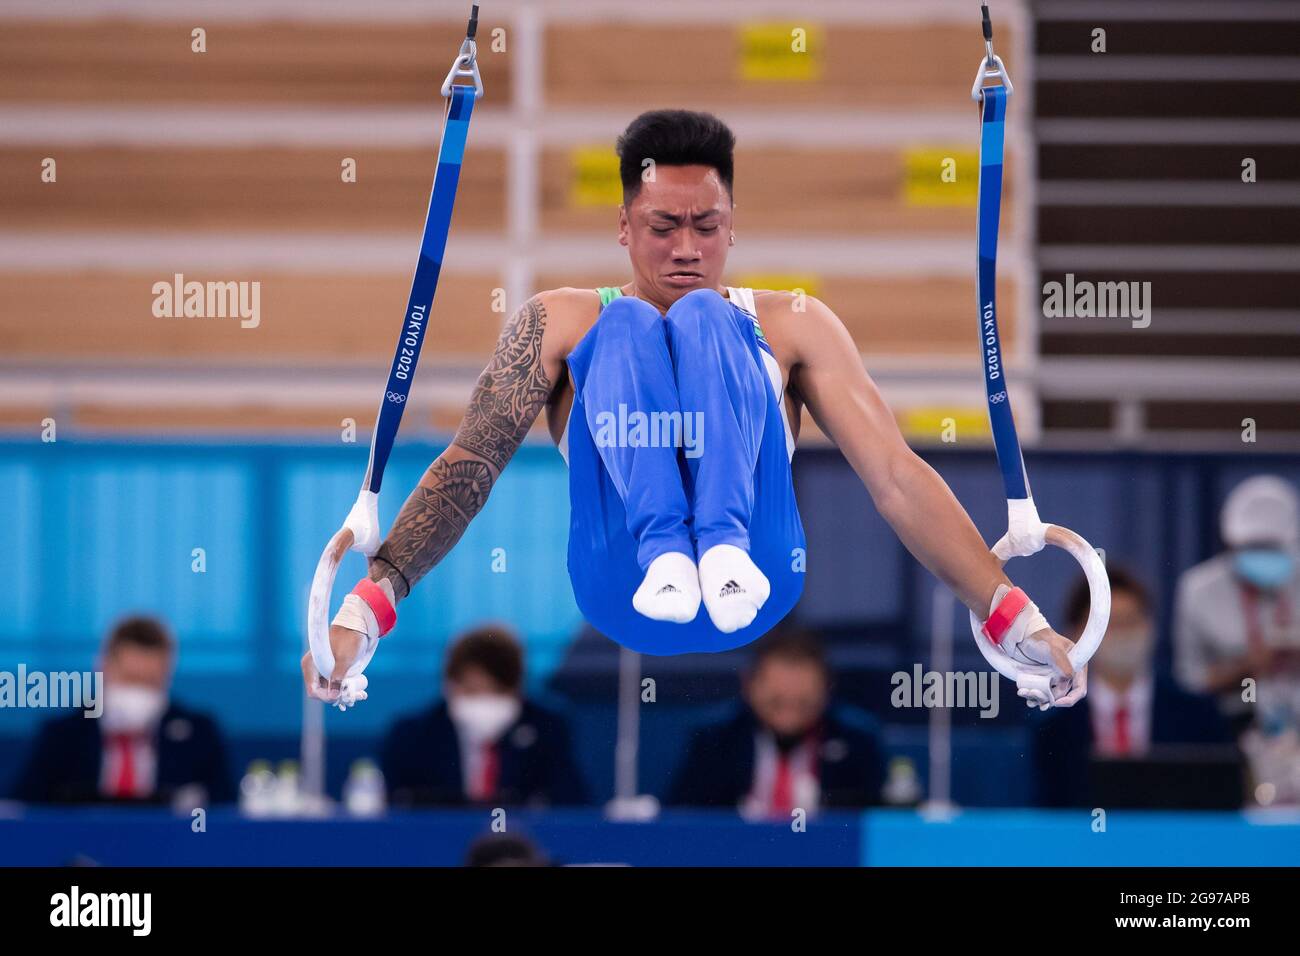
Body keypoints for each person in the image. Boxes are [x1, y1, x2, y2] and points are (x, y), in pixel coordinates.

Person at [304, 109, 1084, 708]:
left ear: (732, 227)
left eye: (707, 227)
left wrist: (1014, 612)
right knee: (630, 324)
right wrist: (367, 608)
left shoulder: (794, 323)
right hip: (623, 582)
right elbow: (469, 467)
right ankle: (670, 550)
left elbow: (894, 477)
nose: (687, 249)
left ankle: (717, 542)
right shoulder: (561, 320)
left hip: (760, 575)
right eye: (663, 226)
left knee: (711, 316)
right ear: (622, 227)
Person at [1032, 567, 1230, 807]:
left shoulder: (1199, 716)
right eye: (1109, 624)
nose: (1123, 634)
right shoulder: (1053, 728)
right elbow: (1044, 813)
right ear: (1076, 635)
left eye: (1132, 622)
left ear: (1151, 627)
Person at [14, 616, 233, 805]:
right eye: (130, 679)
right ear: (103, 667)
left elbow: (225, 809)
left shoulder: (198, 734)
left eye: (148, 682)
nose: (137, 693)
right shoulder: (63, 734)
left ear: (168, 674)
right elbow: (23, 807)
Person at [666, 629, 885, 817]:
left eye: (803, 702)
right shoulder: (714, 741)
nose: (789, 714)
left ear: (826, 690)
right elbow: (682, 821)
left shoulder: (858, 742)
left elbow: (880, 827)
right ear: (749, 685)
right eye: (777, 702)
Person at [381, 624, 587, 807]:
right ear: (449, 685)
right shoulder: (413, 735)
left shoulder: (548, 729)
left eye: (495, 691)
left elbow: (571, 804)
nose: (483, 701)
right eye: (471, 691)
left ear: (517, 689)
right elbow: (390, 805)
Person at [1174, 475, 1300, 736]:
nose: (1264, 555)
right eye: (1254, 547)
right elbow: (1188, 681)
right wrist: (1244, 667)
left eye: (1272, 547)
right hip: (1228, 726)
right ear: (1231, 543)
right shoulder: (1199, 589)